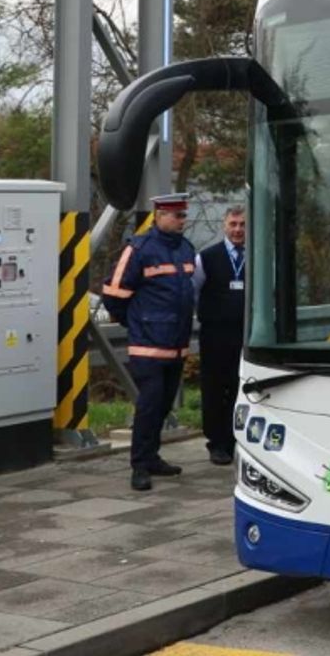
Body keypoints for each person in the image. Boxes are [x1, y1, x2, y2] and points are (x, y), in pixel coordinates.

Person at [103, 192, 198, 491]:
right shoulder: (140, 249)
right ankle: (139, 466)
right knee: (149, 405)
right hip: (148, 345)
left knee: (163, 405)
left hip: (176, 344)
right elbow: (114, 294)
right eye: (177, 215)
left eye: (184, 215)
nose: (182, 221)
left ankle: (152, 456)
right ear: (160, 216)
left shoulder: (185, 248)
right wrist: (136, 323)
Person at [194, 205, 247, 466]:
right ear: (224, 226)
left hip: (244, 335)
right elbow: (194, 290)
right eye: (233, 224)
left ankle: (236, 439)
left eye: (242, 224)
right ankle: (216, 442)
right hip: (215, 334)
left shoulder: (257, 256)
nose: (238, 230)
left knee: (240, 387)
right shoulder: (206, 258)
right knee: (215, 388)